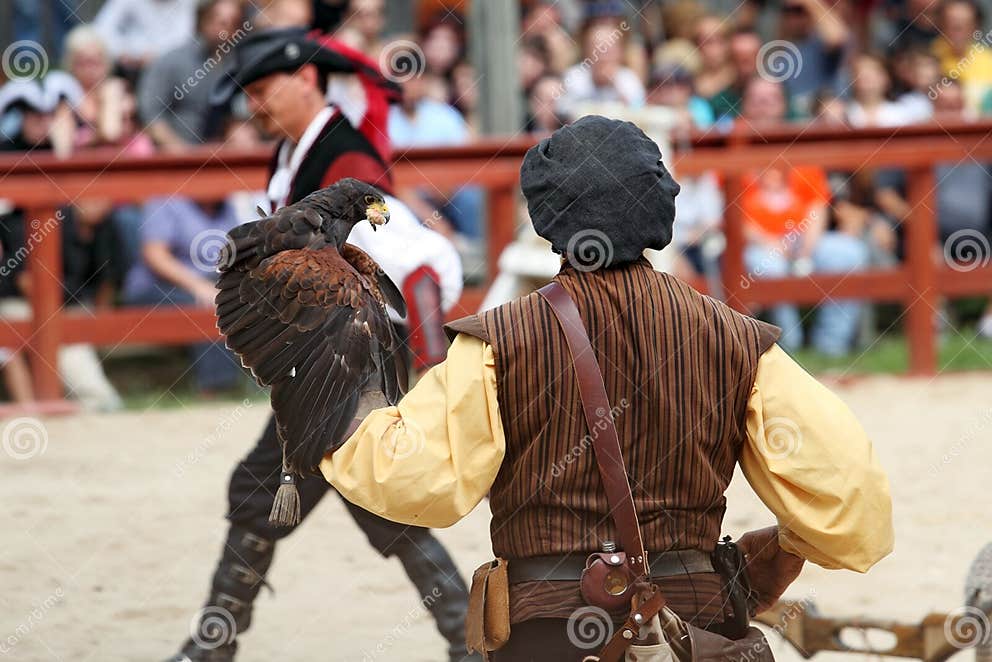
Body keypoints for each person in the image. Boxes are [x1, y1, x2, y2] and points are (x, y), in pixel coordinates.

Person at [320, 116, 894, 658]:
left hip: (549, 641)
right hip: (696, 630)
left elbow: (408, 480)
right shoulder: (739, 340)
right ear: (659, 207)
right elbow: (853, 502)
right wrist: (782, 552)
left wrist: (328, 393)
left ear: (547, 218)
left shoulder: (498, 342)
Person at [161, 28, 473, 662]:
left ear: (306, 80)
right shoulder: (296, 152)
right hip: (320, 360)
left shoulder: (345, 159)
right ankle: (467, 638)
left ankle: (212, 646)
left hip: (351, 362)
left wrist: (424, 369)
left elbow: (407, 263)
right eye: (247, 93)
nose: (255, 104)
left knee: (279, 490)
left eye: (264, 89)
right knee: (368, 498)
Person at [138, 0, 246, 150]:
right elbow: (151, 115)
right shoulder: (172, 62)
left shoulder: (240, 64)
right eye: (219, 21)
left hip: (224, 157)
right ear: (202, 21)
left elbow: (243, 113)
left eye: (232, 23)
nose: (224, 30)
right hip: (175, 157)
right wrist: (180, 151)